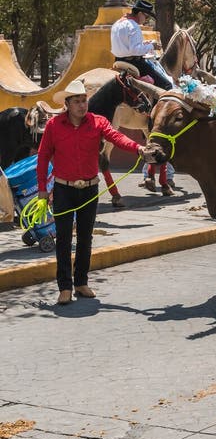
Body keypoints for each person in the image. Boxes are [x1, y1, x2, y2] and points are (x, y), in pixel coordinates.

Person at [37, 79, 149, 305]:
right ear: (67, 104)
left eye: (84, 100)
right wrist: (42, 189)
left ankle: (81, 283)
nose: (82, 105)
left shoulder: (98, 122)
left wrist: (138, 148)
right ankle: (65, 287)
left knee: (86, 238)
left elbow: (117, 137)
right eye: (77, 101)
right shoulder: (54, 126)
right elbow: (42, 158)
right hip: (63, 189)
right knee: (64, 240)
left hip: (89, 189)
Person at [110, 0, 172, 90]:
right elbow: (135, 50)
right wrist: (152, 46)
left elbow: (126, 45)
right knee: (166, 85)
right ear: (140, 13)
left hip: (117, 60)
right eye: (146, 17)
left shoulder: (117, 23)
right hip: (134, 63)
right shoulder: (134, 26)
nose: (146, 20)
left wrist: (144, 44)